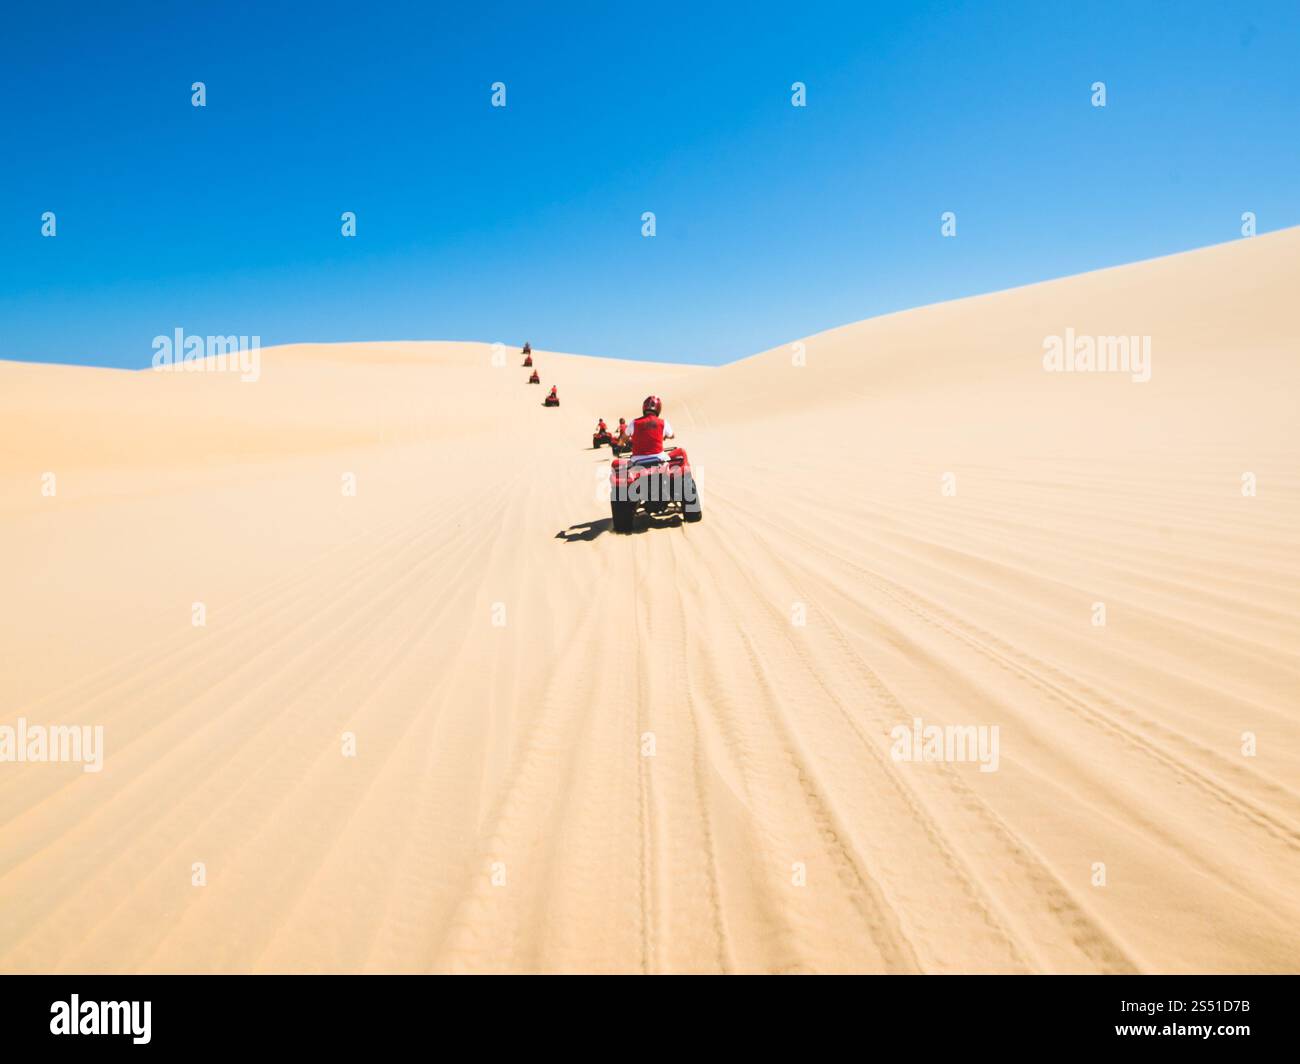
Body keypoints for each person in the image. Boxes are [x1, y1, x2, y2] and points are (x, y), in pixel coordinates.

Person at [629, 395, 674, 460]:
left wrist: (622, 443)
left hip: (637, 460)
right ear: (659, 408)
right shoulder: (663, 422)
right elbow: (672, 435)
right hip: (659, 458)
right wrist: (664, 437)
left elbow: (623, 438)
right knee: (682, 452)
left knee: (616, 463)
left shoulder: (634, 422)